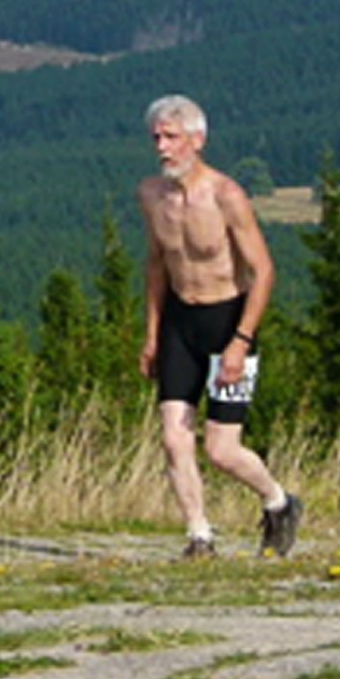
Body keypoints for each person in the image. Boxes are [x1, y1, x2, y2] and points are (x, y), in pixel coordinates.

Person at [137, 94, 302, 559]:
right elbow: (156, 265)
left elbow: (263, 271)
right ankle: (199, 536)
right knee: (174, 437)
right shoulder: (151, 195)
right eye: (157, 138)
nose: (162, 147)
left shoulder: (227, 196)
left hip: (227, 320)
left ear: (197, 140)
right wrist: (152, 334)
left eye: (171, 137)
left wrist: (241, 340)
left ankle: (279, 502)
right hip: (179, 321)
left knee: (221, 450)